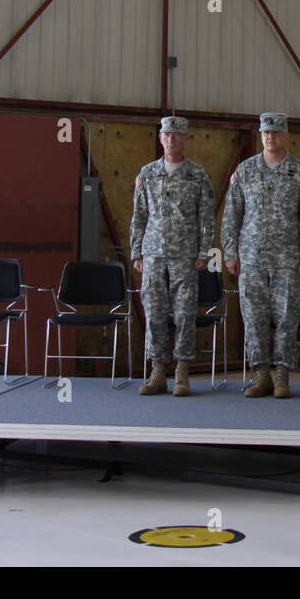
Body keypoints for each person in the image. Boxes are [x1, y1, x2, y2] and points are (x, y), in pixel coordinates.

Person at [221, 112, 300, 399]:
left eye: (275, 133)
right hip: (250, 258)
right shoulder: (245, 171)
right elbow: (231, 215)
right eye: (265, 133)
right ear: (260, 135)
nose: (270, 138)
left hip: (287, 259)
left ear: (286, 135)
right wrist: (230, 253)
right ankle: (261, 375)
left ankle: (283, 377)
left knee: (287, 318)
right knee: (253, 318)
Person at [129, 115, 216, 397]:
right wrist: (136, 251)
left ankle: (181, 371)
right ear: (160, 137)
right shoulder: (148, 174)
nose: (171, 139)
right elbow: (139, 216)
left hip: (185, 254)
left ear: (185, 139)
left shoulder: (197, 175)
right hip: (153, 253)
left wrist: (204, 251)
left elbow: (206, 218)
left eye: (177, 135)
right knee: (153, 312)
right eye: (166, 135)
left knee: (184, 314)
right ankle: (157, 371)